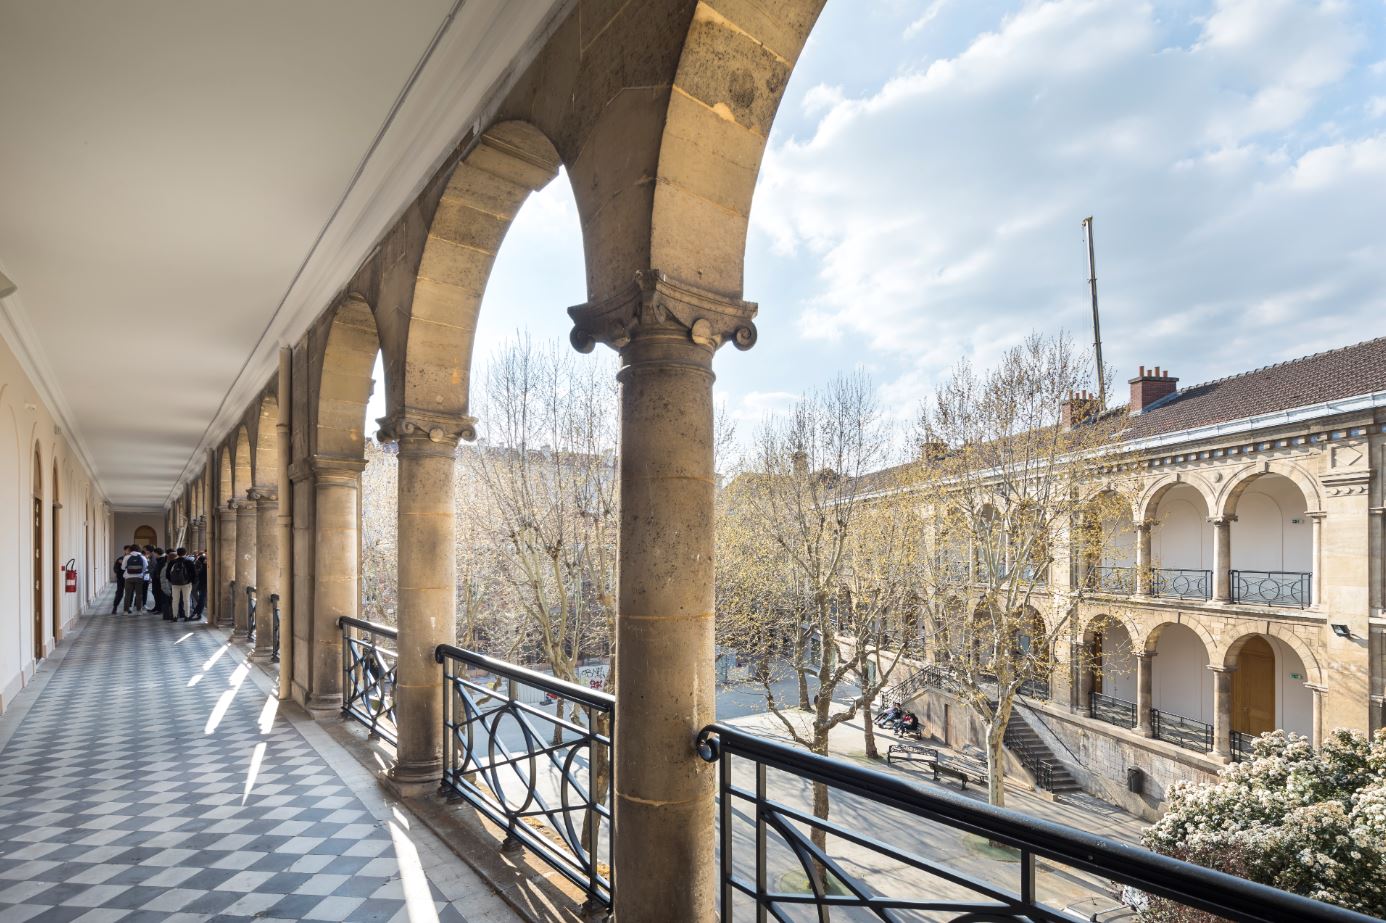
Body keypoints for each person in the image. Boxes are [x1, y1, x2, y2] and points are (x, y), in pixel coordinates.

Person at [167, 547, 195, 621]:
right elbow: (194, 573)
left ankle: (175, 616)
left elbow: (167, 573)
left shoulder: (172, 562)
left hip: (175, 584)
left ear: (177, 553)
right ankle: (187, 616)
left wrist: (172, 581)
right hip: (186, 584)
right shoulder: (189, 562)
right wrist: (190, 581)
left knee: (175, 600)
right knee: (186, 600)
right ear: (185, 553)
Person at [121, 546, 147, 615]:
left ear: (130, 550)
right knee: (139, 594)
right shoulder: (142, 557)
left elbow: (123, 568)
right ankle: (139, 611)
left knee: (127, 594)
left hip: (128, 577)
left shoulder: (127, 557)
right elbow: (145, 567)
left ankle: (126, 611)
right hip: (139, 577)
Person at [111, 546, 132, 614]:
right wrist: (118, 574)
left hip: (129, 578)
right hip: (121, 579)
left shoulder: (132, 559)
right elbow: (115, 569)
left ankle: (127, 608)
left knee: (129, 594)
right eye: (128, 550)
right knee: (119, 593)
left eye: (130, 550)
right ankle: (115, 607)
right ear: (124, 550)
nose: (129, 552)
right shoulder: (120, 559)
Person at [191, 551, 207, 621]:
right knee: (201, 600)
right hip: (203, 586)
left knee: (201, 600)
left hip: (202, 585)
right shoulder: (205, 567)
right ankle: (197, 613)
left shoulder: (203, 567)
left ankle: (196, 613)